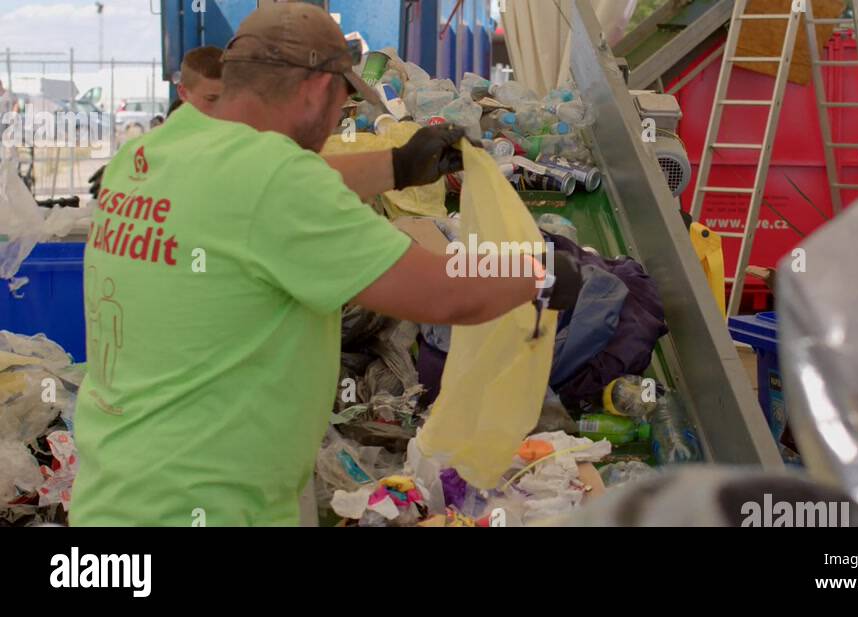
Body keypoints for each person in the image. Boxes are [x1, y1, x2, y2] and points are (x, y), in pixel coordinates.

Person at [70, 1, 582, 526]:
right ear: (318, 88)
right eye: (341, 104)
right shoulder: (275, 181)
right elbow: (440, 292)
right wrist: (538, 273)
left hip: (115, 500)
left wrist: (398, 166)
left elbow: (265, 194)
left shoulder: (155, 152)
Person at [90, 46, 224, 195]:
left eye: (228, 98)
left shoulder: (239, 131)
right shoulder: (173, 128)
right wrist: (121, 170)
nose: (221, 108)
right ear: (183, 92)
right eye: (211, 99)